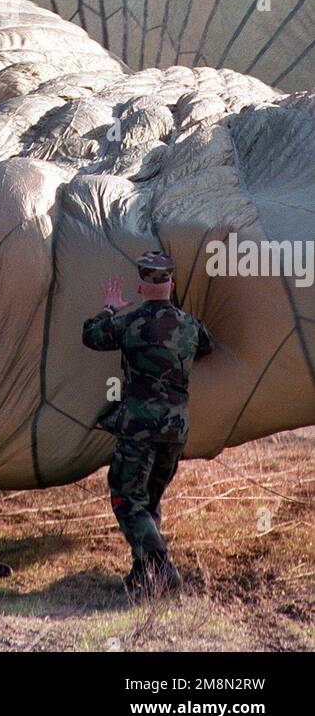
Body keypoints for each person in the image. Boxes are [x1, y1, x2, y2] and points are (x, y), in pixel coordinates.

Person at [83, 250, 214, 599]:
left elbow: (91, 335)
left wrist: (111, 306)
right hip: (175, 431)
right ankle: (144, 575)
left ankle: (161, 566)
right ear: (170, 285)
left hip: (139, 429)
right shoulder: (190, 327)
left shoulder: (129, 324)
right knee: (149, 501)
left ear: (141, 287)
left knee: (126, 499)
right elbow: (208, 345)